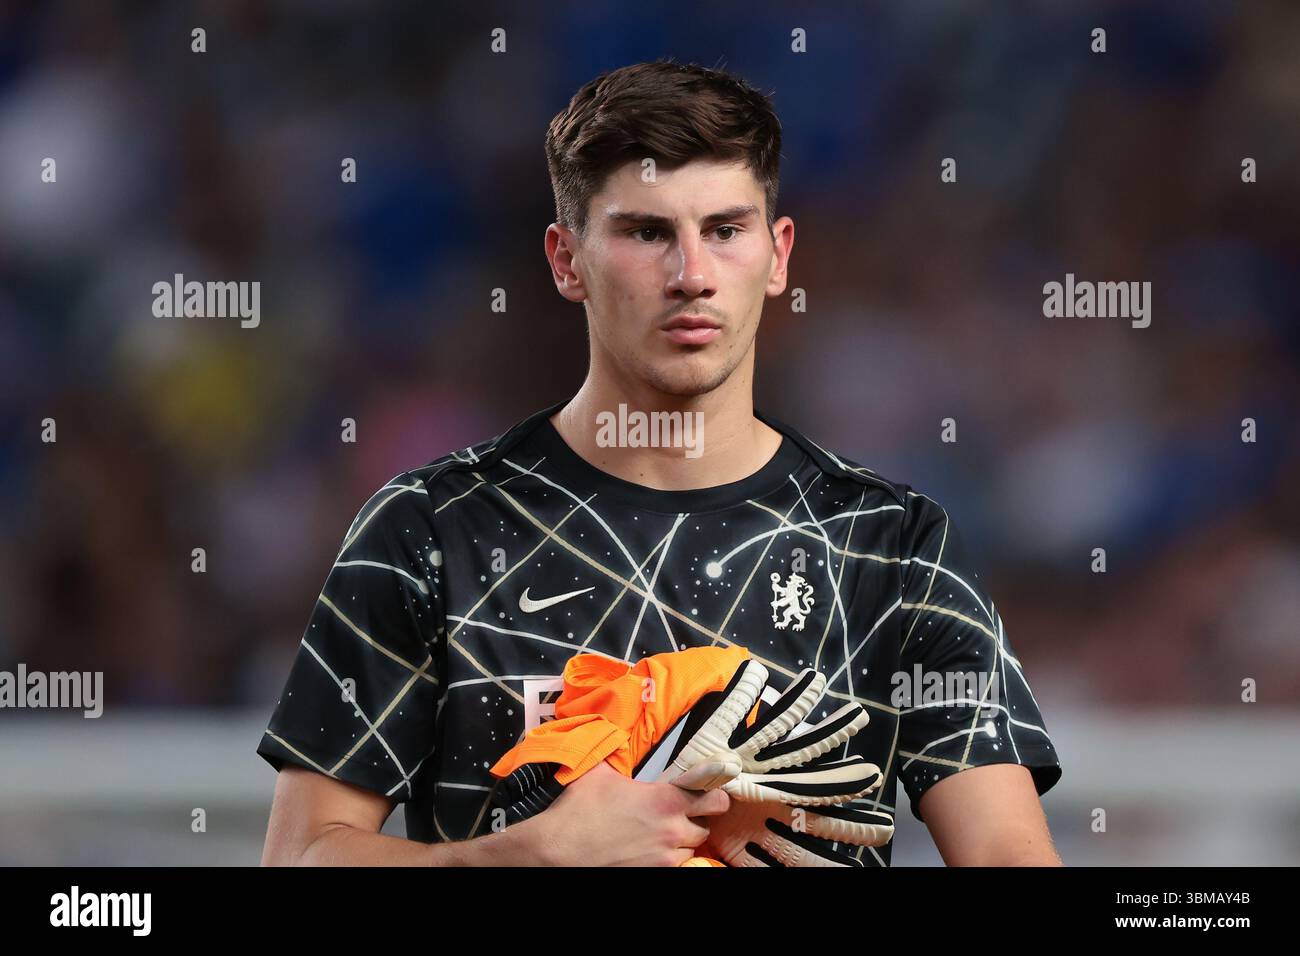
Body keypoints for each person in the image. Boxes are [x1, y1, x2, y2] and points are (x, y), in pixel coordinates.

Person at [257, 58, 1062, 867]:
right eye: (646, 233)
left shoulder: (892, 545)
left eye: (725, 230)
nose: (691, 276)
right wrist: (525, 858)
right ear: (566, 259)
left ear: (778, 255)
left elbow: (1005, 856)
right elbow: (299, 860)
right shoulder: (430, 529)